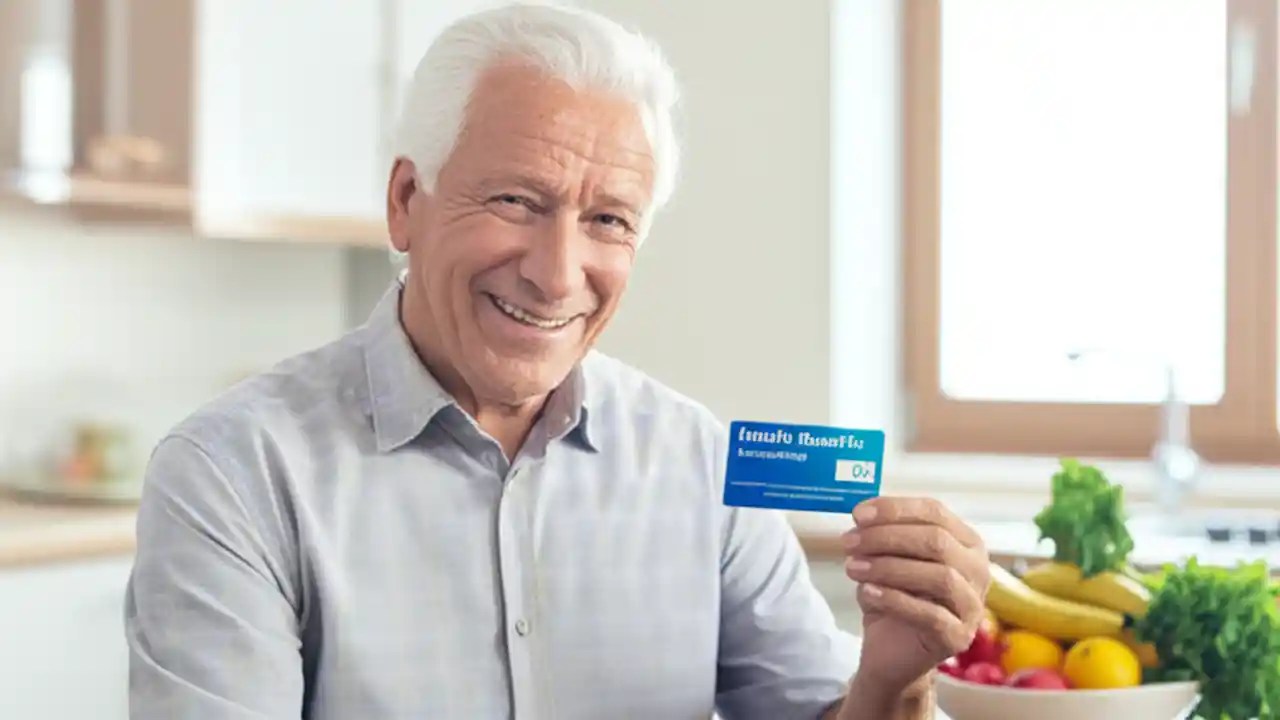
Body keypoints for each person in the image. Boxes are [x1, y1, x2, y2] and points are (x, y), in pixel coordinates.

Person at [124, 3, 989, 719]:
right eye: (514, 200)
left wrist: (894, 683)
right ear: (405, 203)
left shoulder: (702, 464)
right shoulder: (234, 474)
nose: (555, 273)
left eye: (609, 220)